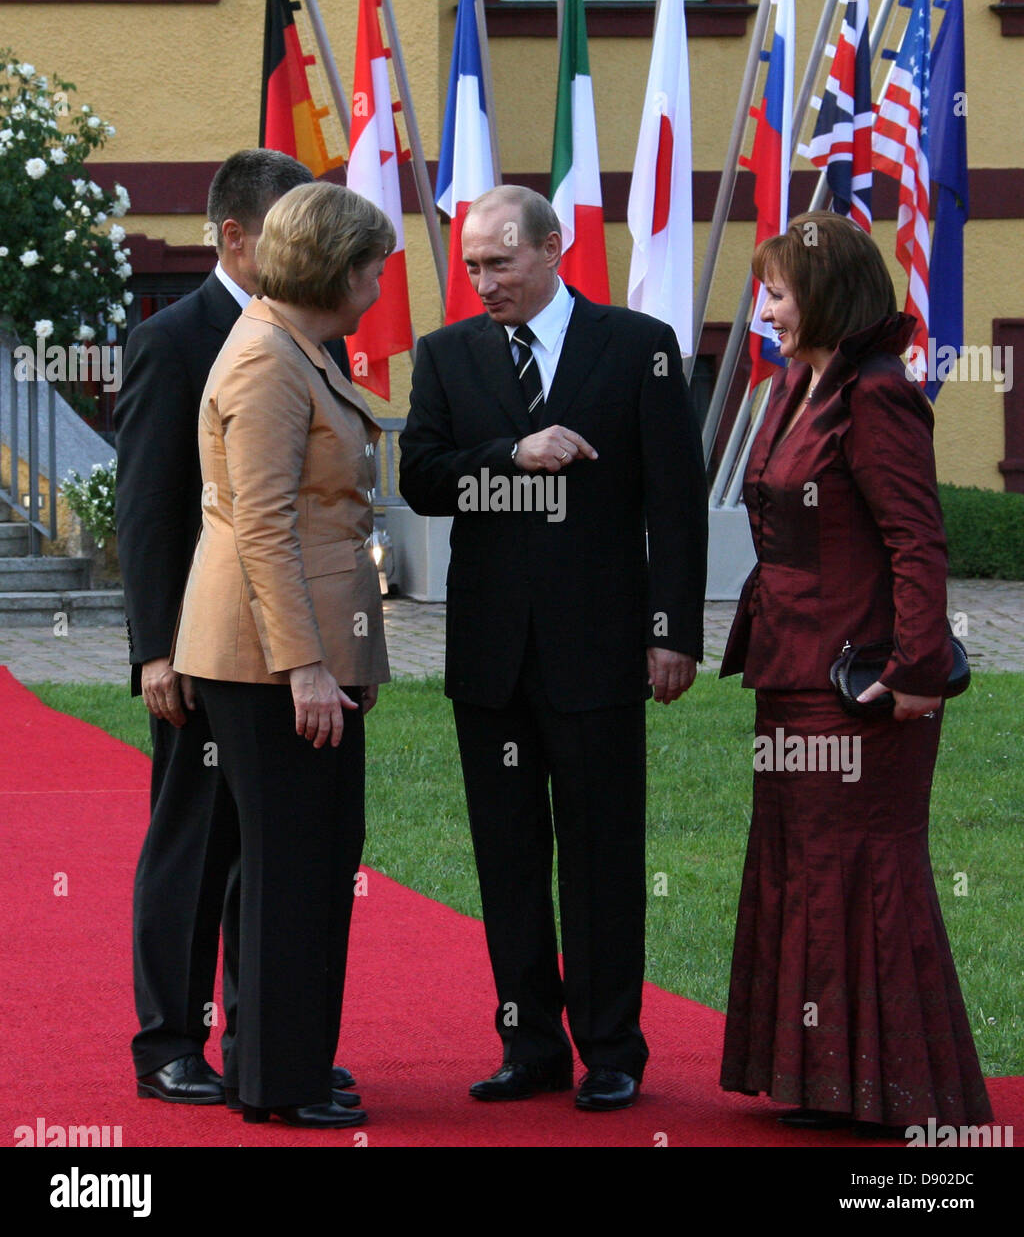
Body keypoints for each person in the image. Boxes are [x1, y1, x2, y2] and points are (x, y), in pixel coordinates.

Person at [399, 185, 708, 1111]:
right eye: (474, 268)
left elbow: (677, 506)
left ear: (553, 249)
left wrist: (673, 631)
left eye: (501, 263)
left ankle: (612, 1046)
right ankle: (528, 1044)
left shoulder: (639, 348)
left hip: (604, 650)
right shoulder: (447, 355)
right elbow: (420, 480)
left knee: (604, 850)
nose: (485, 281)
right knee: (508, 855)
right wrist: (509, 456)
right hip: (491, 657)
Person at [718, 211, 993, 1135]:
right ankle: (821, 1079)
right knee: (801, 868)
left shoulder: (878, 393)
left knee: (864, 873)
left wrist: (919, 671)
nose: (768, 307)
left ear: (828, 294)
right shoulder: (801, 380)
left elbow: (918, 539)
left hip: (864, 686)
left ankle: (897, 1094)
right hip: (788, 671)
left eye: (780, 292)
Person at [115, 149, 356, 1105]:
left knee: (276, 854)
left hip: (278, 645)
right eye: (290, 227)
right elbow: (149, 508)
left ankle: (270, 1044)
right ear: (236, 236)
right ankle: (171, 1039)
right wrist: (153, 650)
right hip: (201, 648)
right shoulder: (177, 338)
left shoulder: (311, 333)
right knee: (195, 842)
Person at [170, 182, 392, 1127]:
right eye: (374, 266)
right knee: (291, 865)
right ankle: (278, 1079)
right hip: (269, 660)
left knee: (310, 859)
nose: (381, 283)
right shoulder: (266, 357)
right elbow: (261, 525)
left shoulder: (291, 343)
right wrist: (305, 665)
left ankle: (284, 1058)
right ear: (339, 269)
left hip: (295, 650)